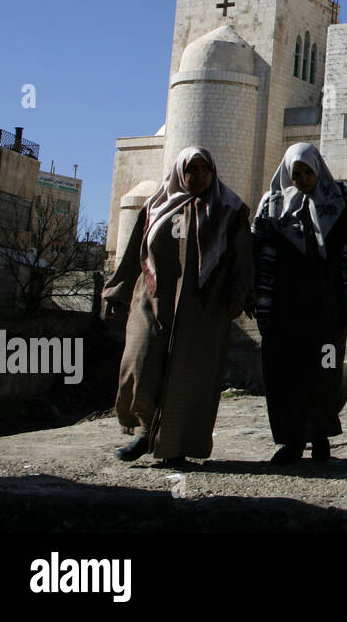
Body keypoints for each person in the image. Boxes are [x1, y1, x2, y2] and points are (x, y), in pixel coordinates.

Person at [102, 147, 254, 463]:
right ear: (179, 173)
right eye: (191, 170)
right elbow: (134, 252)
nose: (198, 176)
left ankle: (173, 446)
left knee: (188, 377)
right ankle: (143, 433)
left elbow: (243, 259)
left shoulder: (229, 210)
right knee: (140, 362)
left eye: (204, 170)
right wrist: (116, 292)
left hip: (204, 308)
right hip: (153, 300)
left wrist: (241, 296)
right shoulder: (156, 207)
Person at [251, 143, 347, 465]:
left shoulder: (340, 198)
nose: (303, 180)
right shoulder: (272, 204)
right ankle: (291, 440)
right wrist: (256, 298)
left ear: (318, 169)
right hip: (284, 306)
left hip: (327, 304)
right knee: (285, 373)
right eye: (297, 174)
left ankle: (321, 436)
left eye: (308, 172)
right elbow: (257, 252)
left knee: (325, 371)